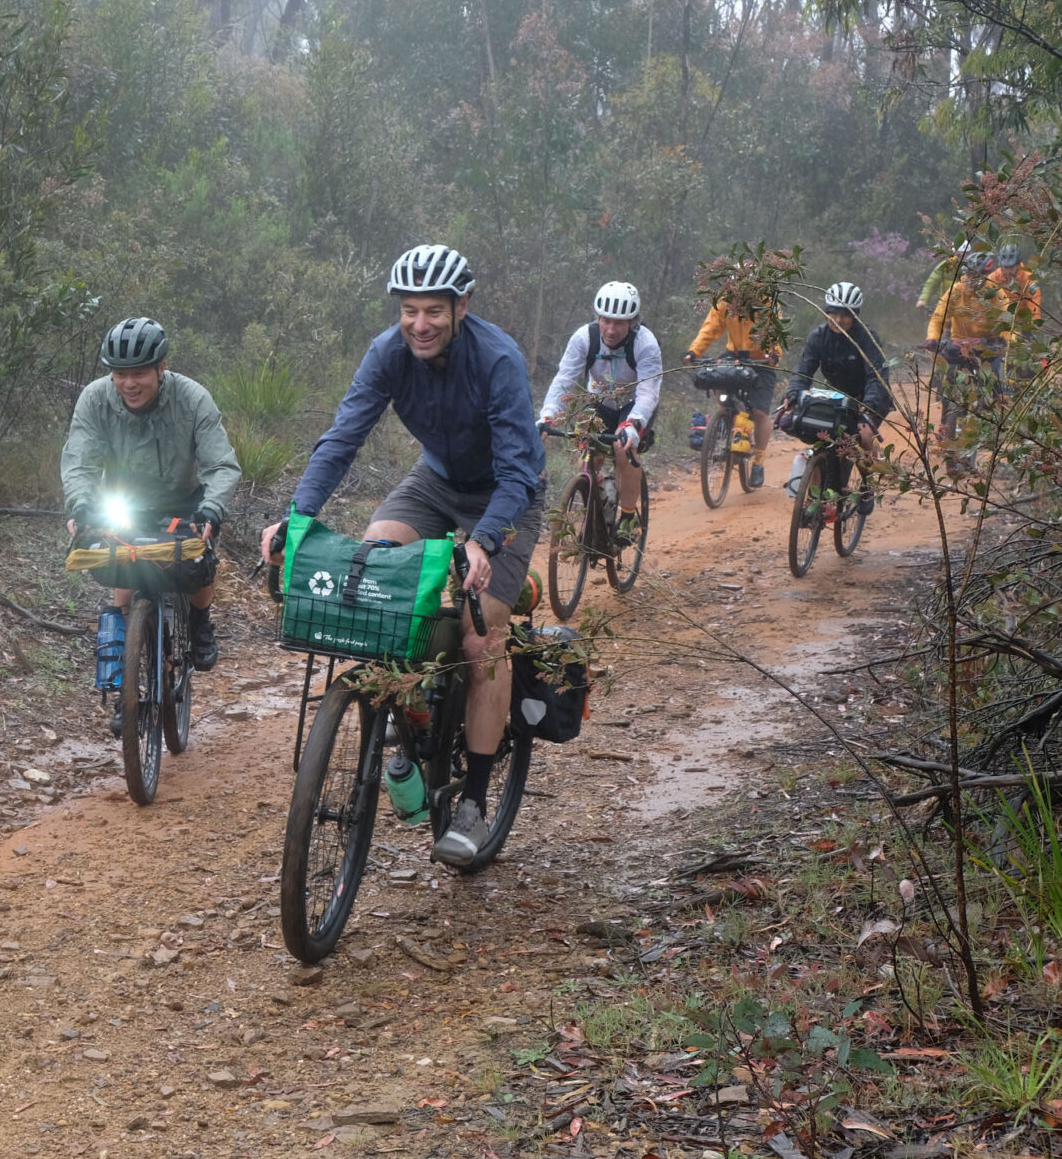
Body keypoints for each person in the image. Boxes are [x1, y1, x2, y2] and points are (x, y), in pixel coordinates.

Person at [259, 244, 544, 870]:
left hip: (505, 495)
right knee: (374, 575)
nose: (420, 324)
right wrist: (297, 518)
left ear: (461, 307)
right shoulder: (388, 352)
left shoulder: (497, 359)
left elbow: (520, 475)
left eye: (434, 311)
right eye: (410, 310)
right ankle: (410, 706)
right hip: (434, 483)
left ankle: (473, 801)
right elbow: (343, 438)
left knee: (480, 638)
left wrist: (484, 541)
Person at [62, 317, 241, 728]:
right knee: (123, 576)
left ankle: (200, 621)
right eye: (120, 374)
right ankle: (127, 691)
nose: (129, 383)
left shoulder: (192, 399)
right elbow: (79, 461)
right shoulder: (95, 399)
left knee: (197, 562)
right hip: (124, 501)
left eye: (139, 373)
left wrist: (211, 509)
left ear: (161, 368)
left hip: (184, 500)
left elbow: (221, 465)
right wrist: (80, 506)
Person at [538, 281, 662, 543]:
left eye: (619, 323)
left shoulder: (646, 343)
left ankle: (628, 517)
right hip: (600, 400)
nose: (611, 329)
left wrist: (633, 424)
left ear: (632, 323)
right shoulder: (584, 338)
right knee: (586, 446)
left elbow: (648, 392)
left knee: (623, 447)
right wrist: (548, 415)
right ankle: (597, 504)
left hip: (634, 404)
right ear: (597, 318)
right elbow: (564, 380)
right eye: (606, 321)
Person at [783, 282, 894, 511]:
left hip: (870, 397)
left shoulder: (866, 337)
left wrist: (869, 405)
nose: (838, 320)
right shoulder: (818, 337)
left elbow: (876, 376)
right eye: (833, 313)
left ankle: (867, 485)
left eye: (845, 315)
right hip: (839, 398)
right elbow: (803, 370)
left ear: (855, 316)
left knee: (863, 437)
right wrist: (793, 394)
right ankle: (815, 497)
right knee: (822, 437)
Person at [683, 296, 782, 486]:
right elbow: (710, 327)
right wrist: (694, 351)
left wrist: (774, 353)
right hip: (734, 355)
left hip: (761, 358)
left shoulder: (767, 300)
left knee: (759, 412)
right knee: (717, 376)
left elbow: (775, 329)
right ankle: (725, 419)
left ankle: (758, 463)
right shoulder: (725, 301)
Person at [924, 251, 1006, 441]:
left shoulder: (995, 292)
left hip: (987, 345)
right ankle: (946, 430)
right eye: (968, 275)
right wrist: (932, 338)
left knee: (993, 385)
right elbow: (938, 318)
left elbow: (1007, 317)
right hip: (959, 345)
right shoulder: (955, 291)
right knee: (950, 388)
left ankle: (994, 428)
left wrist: (1006, 339)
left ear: (984, 277)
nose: (970, 280)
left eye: (975, 276)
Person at [990, 243, 1043, 382]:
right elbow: (987, 295)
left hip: (1023, 322)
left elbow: (1034, 304)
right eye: (1005, 267)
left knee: (1028, 353)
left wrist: (1033, 323)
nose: (1008, 271)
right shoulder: (995, 277)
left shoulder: (1029, 278)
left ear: (1018, 264)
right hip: (1002, 322)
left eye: (1011, 267)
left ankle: (1027, 381)